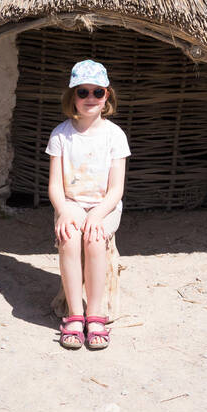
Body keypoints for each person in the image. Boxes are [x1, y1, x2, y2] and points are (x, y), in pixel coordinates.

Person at [46, 59, 130, 349]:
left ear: (107, 96)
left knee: (95, 239)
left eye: (98, 92)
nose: (90, 98)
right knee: (69, 237)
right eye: (83, 92)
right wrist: (64, 210)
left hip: (104, 206)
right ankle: (75, 314)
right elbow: (55, 185)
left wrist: (98, 213)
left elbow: (117, 188)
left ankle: (96, 314)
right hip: (70, 204)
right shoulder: (61, 135)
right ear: (73, 96)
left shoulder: (114, 135)